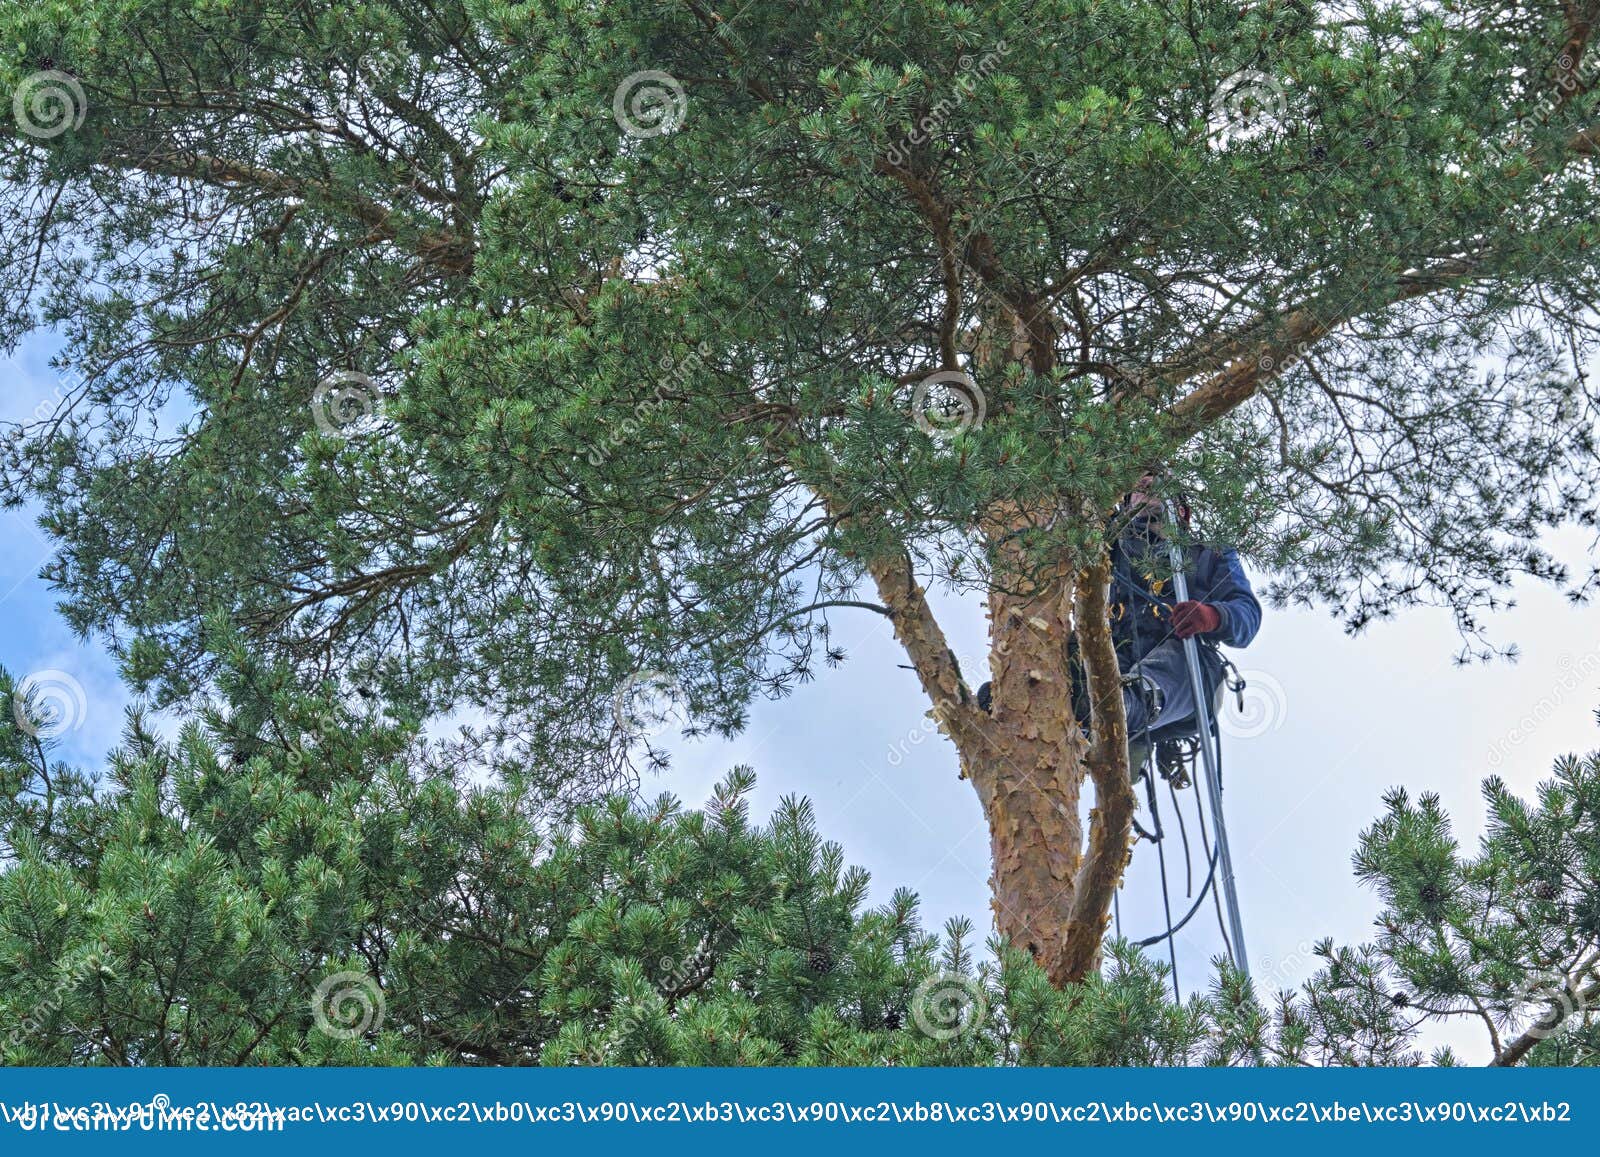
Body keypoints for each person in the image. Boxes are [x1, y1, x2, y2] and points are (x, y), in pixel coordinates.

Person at [977, 477, 1262, 772]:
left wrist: (1212, 616)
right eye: (1139, 488)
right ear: (1126, 503)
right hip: (1111, 655)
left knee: (1169, 664)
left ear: (1183, 511)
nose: (1148, 489)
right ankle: (1028, 700)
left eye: (1159, 486)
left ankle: (1123, 704)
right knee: (1069, 650)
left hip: (1184, 670)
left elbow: (1247, 615)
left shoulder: (1207, 554)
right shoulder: (1108, 545)